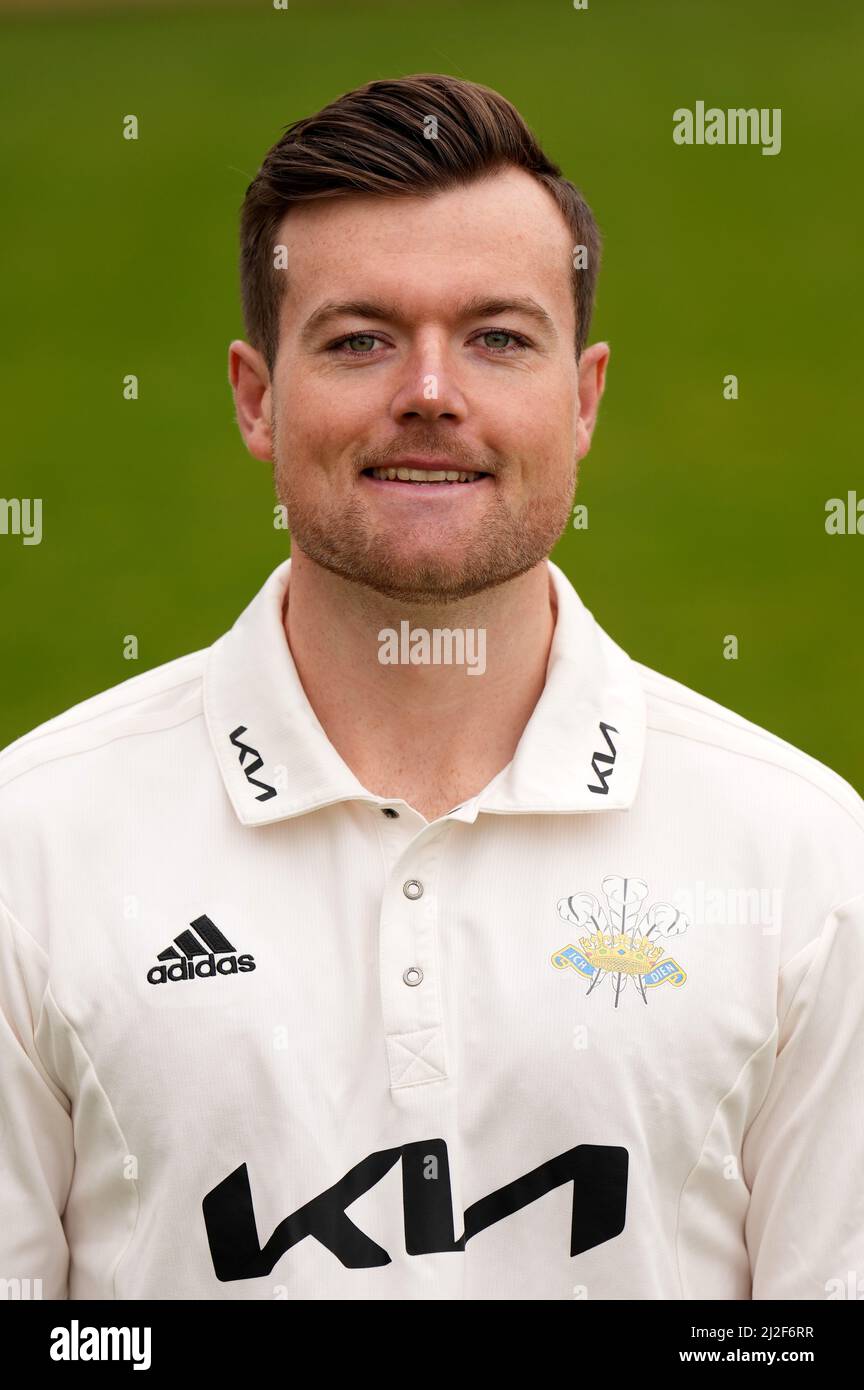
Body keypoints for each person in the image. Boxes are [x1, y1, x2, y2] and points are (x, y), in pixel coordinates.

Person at [1, 74, 861, 1301]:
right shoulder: (30, 847)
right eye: (360, 339)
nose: (430, 392)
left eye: (498, 339)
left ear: (583, 396)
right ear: (256, 397)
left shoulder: (807, 860)